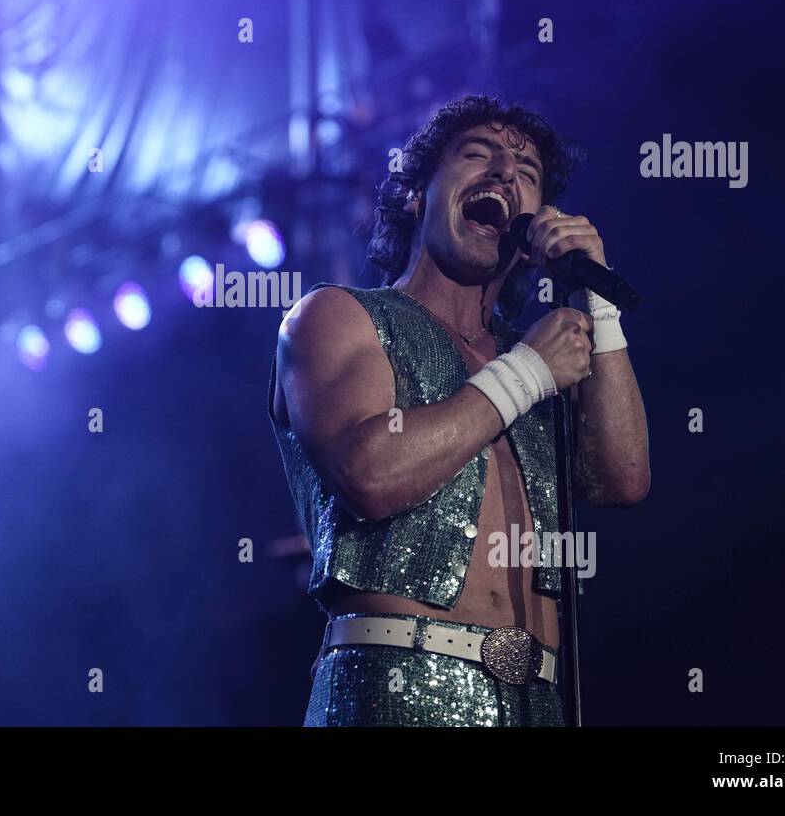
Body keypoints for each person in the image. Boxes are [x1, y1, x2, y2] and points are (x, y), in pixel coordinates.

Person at [269, 96, 650, 726]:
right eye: (478, 156)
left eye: (526, 172)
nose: (505, 173)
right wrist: (526, 372)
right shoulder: (339, 315)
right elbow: (371, 475)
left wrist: (597, 302)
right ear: (418, 195)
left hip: (539, 701)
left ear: (532, 231)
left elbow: (622, 479)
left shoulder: (534, 356)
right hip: (395, 685)